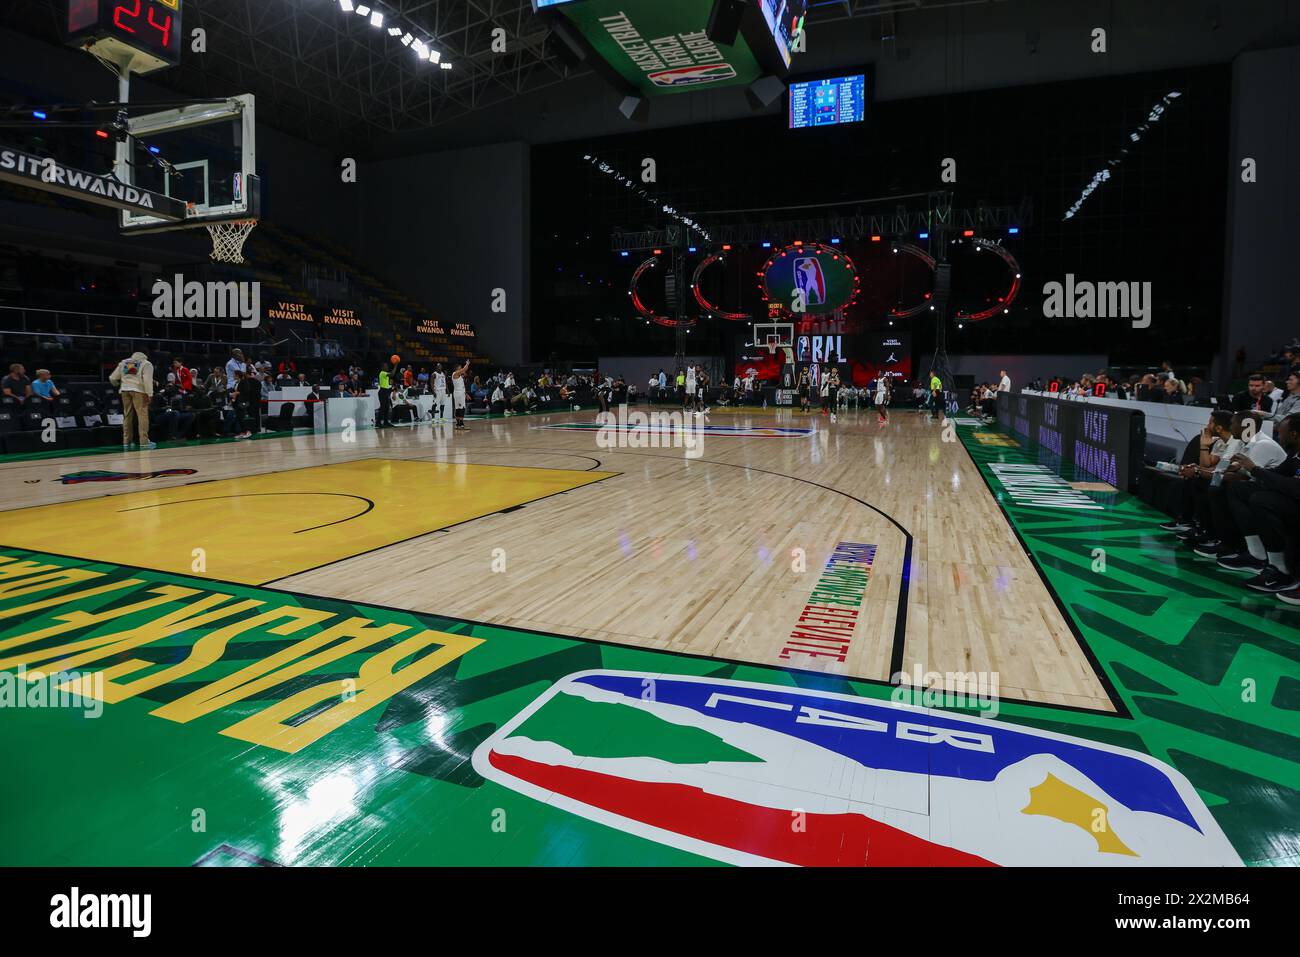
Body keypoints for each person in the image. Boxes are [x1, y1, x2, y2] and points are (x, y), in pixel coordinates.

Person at [109, 350, 155, 450]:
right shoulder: (146, 363)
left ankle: (126, 441)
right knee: (142, 415)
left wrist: (118, 385)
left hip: (124, 390)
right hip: (139, 391)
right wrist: (150, 394)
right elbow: (147, 380)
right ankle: (144, 441)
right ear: (145, 357)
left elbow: (112, 378)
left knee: (127, 415)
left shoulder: (124, 362)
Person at [451, 360, 470, 431]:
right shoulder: (455, 374)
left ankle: (458, 424)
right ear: (457, 368)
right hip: (458, 393)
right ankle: (461, 424)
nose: (461, 368)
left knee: (459, 408)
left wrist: (466, 394)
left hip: (460, 393)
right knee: (460, 408)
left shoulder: (459, 376)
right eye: (460, 367)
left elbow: (461, 386)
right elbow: (464, 369)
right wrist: (467, 364)